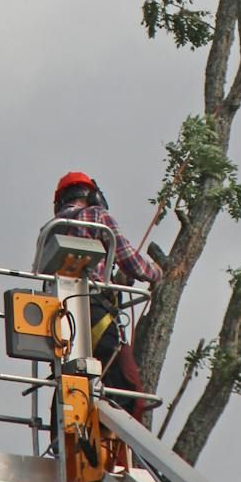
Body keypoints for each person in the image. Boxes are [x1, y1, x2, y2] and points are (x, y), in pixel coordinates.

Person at [51, 171, 161, 419]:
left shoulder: (50, 232)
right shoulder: (95, 216)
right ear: (93, 195)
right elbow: (130, 261)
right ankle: (119, 438)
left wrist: (116, 281)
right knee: (127, 385)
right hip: (93, 311)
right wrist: (155, 273)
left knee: (68, 377)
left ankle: (62, 437)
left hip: (57, 320)